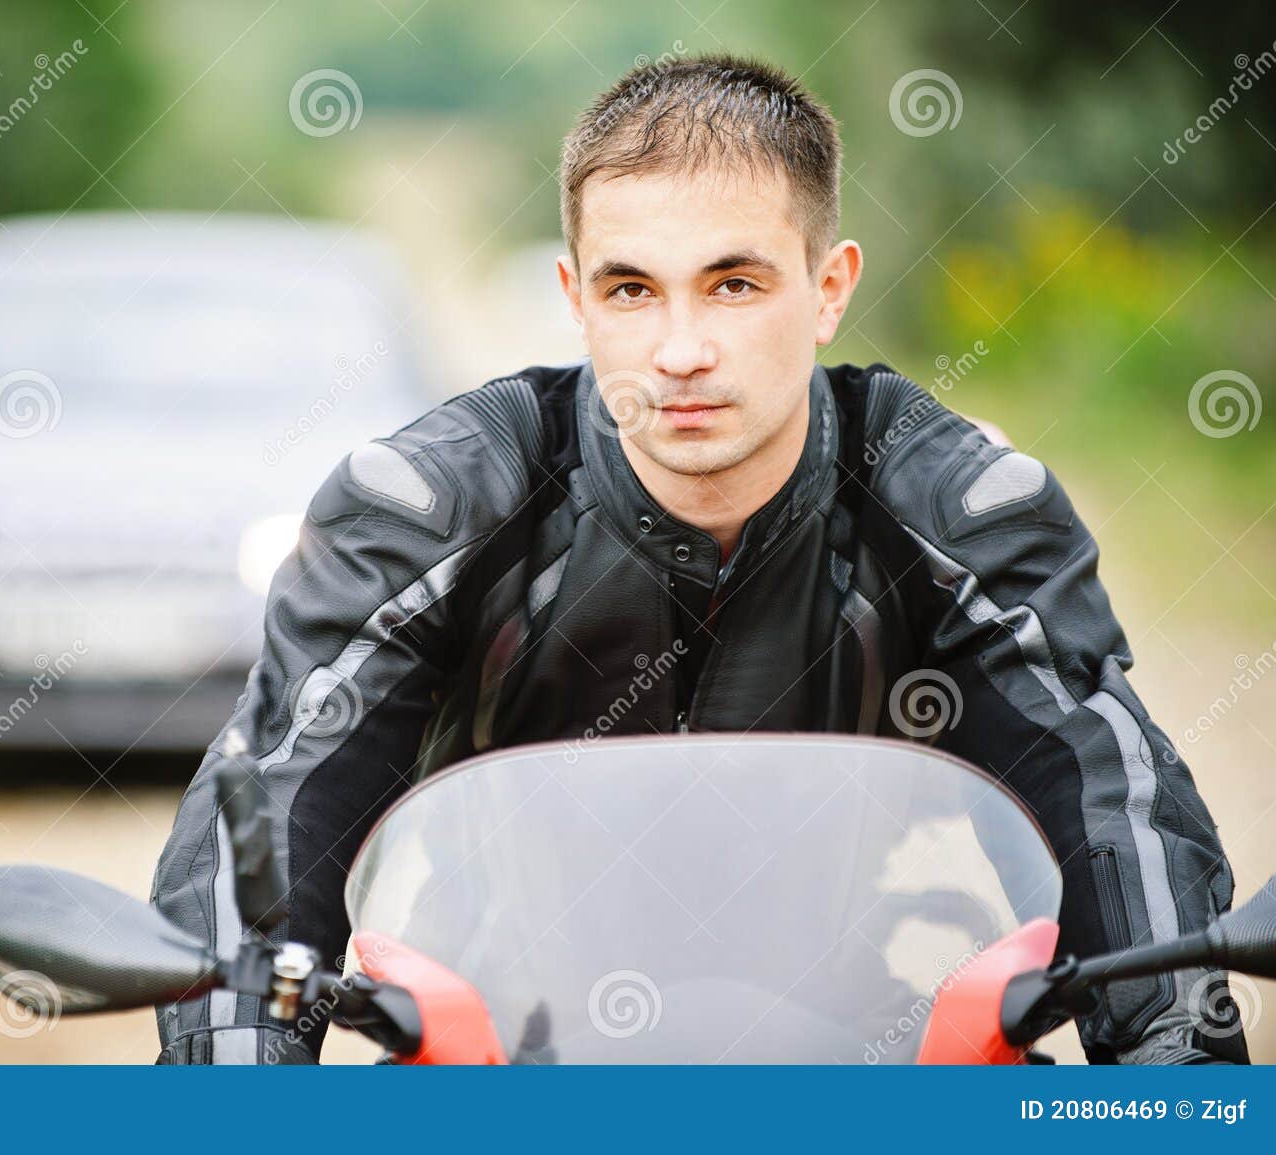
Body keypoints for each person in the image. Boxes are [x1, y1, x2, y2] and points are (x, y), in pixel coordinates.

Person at [151, 53, 1247, 1065]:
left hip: (863, 1061)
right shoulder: (427, 509)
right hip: (496, 1062)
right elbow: (271, 815)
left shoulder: (957, 510)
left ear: (827, 289)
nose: (680, 351)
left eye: (733, 283)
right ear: (577, 298)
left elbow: (1114, 806)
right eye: (633, 289)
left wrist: (1175, 1076)